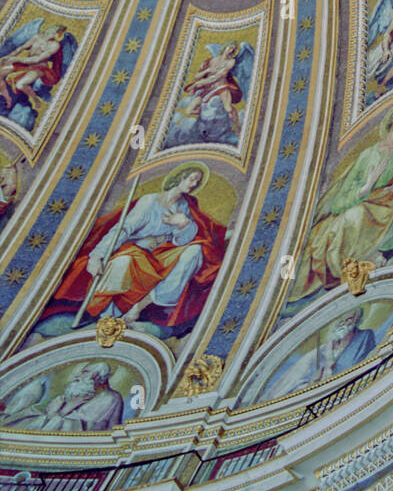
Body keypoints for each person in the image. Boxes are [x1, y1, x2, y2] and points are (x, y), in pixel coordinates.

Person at [43, 165, 228, 330]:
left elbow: (181, 242)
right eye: (192, 179)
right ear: (181, 177)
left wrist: (183, 225)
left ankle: (143, 304)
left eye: (198, 182)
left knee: (194, 251)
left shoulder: (183, 206)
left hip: (159, 254)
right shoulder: (149, 202)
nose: (194, 184)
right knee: (123, 262)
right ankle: (107, 312)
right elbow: (123, 229)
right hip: (135, 250)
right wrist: (97, 256)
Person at [287, 104, 393, 301]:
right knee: (352, 217)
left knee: (355, 216)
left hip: (391, 205)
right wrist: (366, 187)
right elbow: (338, 203)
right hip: (365, 206)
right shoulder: (367, 156)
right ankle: (342, 271)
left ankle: (361, 260)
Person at [2, 362, 124, 432]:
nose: (77, 376)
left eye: (85, 372)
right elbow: (45, 411)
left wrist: (59, 412)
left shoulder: (108, 398)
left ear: (96, 375)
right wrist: (59, 410)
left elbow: (81, 430)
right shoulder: (78, 393)